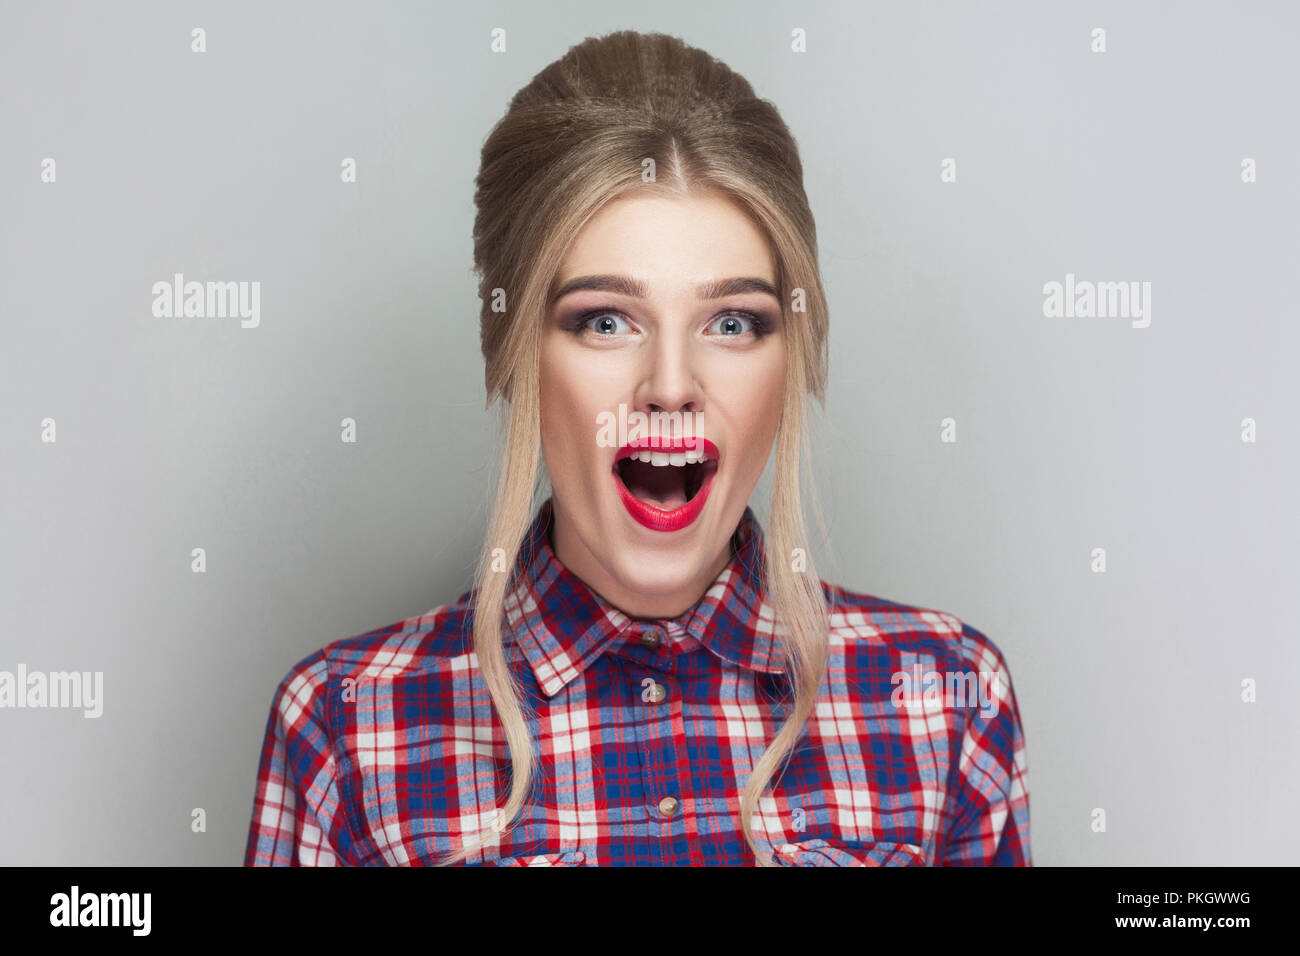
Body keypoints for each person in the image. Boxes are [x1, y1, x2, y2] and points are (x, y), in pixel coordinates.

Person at [244, 29, 1030, 867]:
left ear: (789, 359)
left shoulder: (947, 701)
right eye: (606, 321)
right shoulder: (342, 725)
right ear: (514, 357)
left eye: (733, 323)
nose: (669, 383)